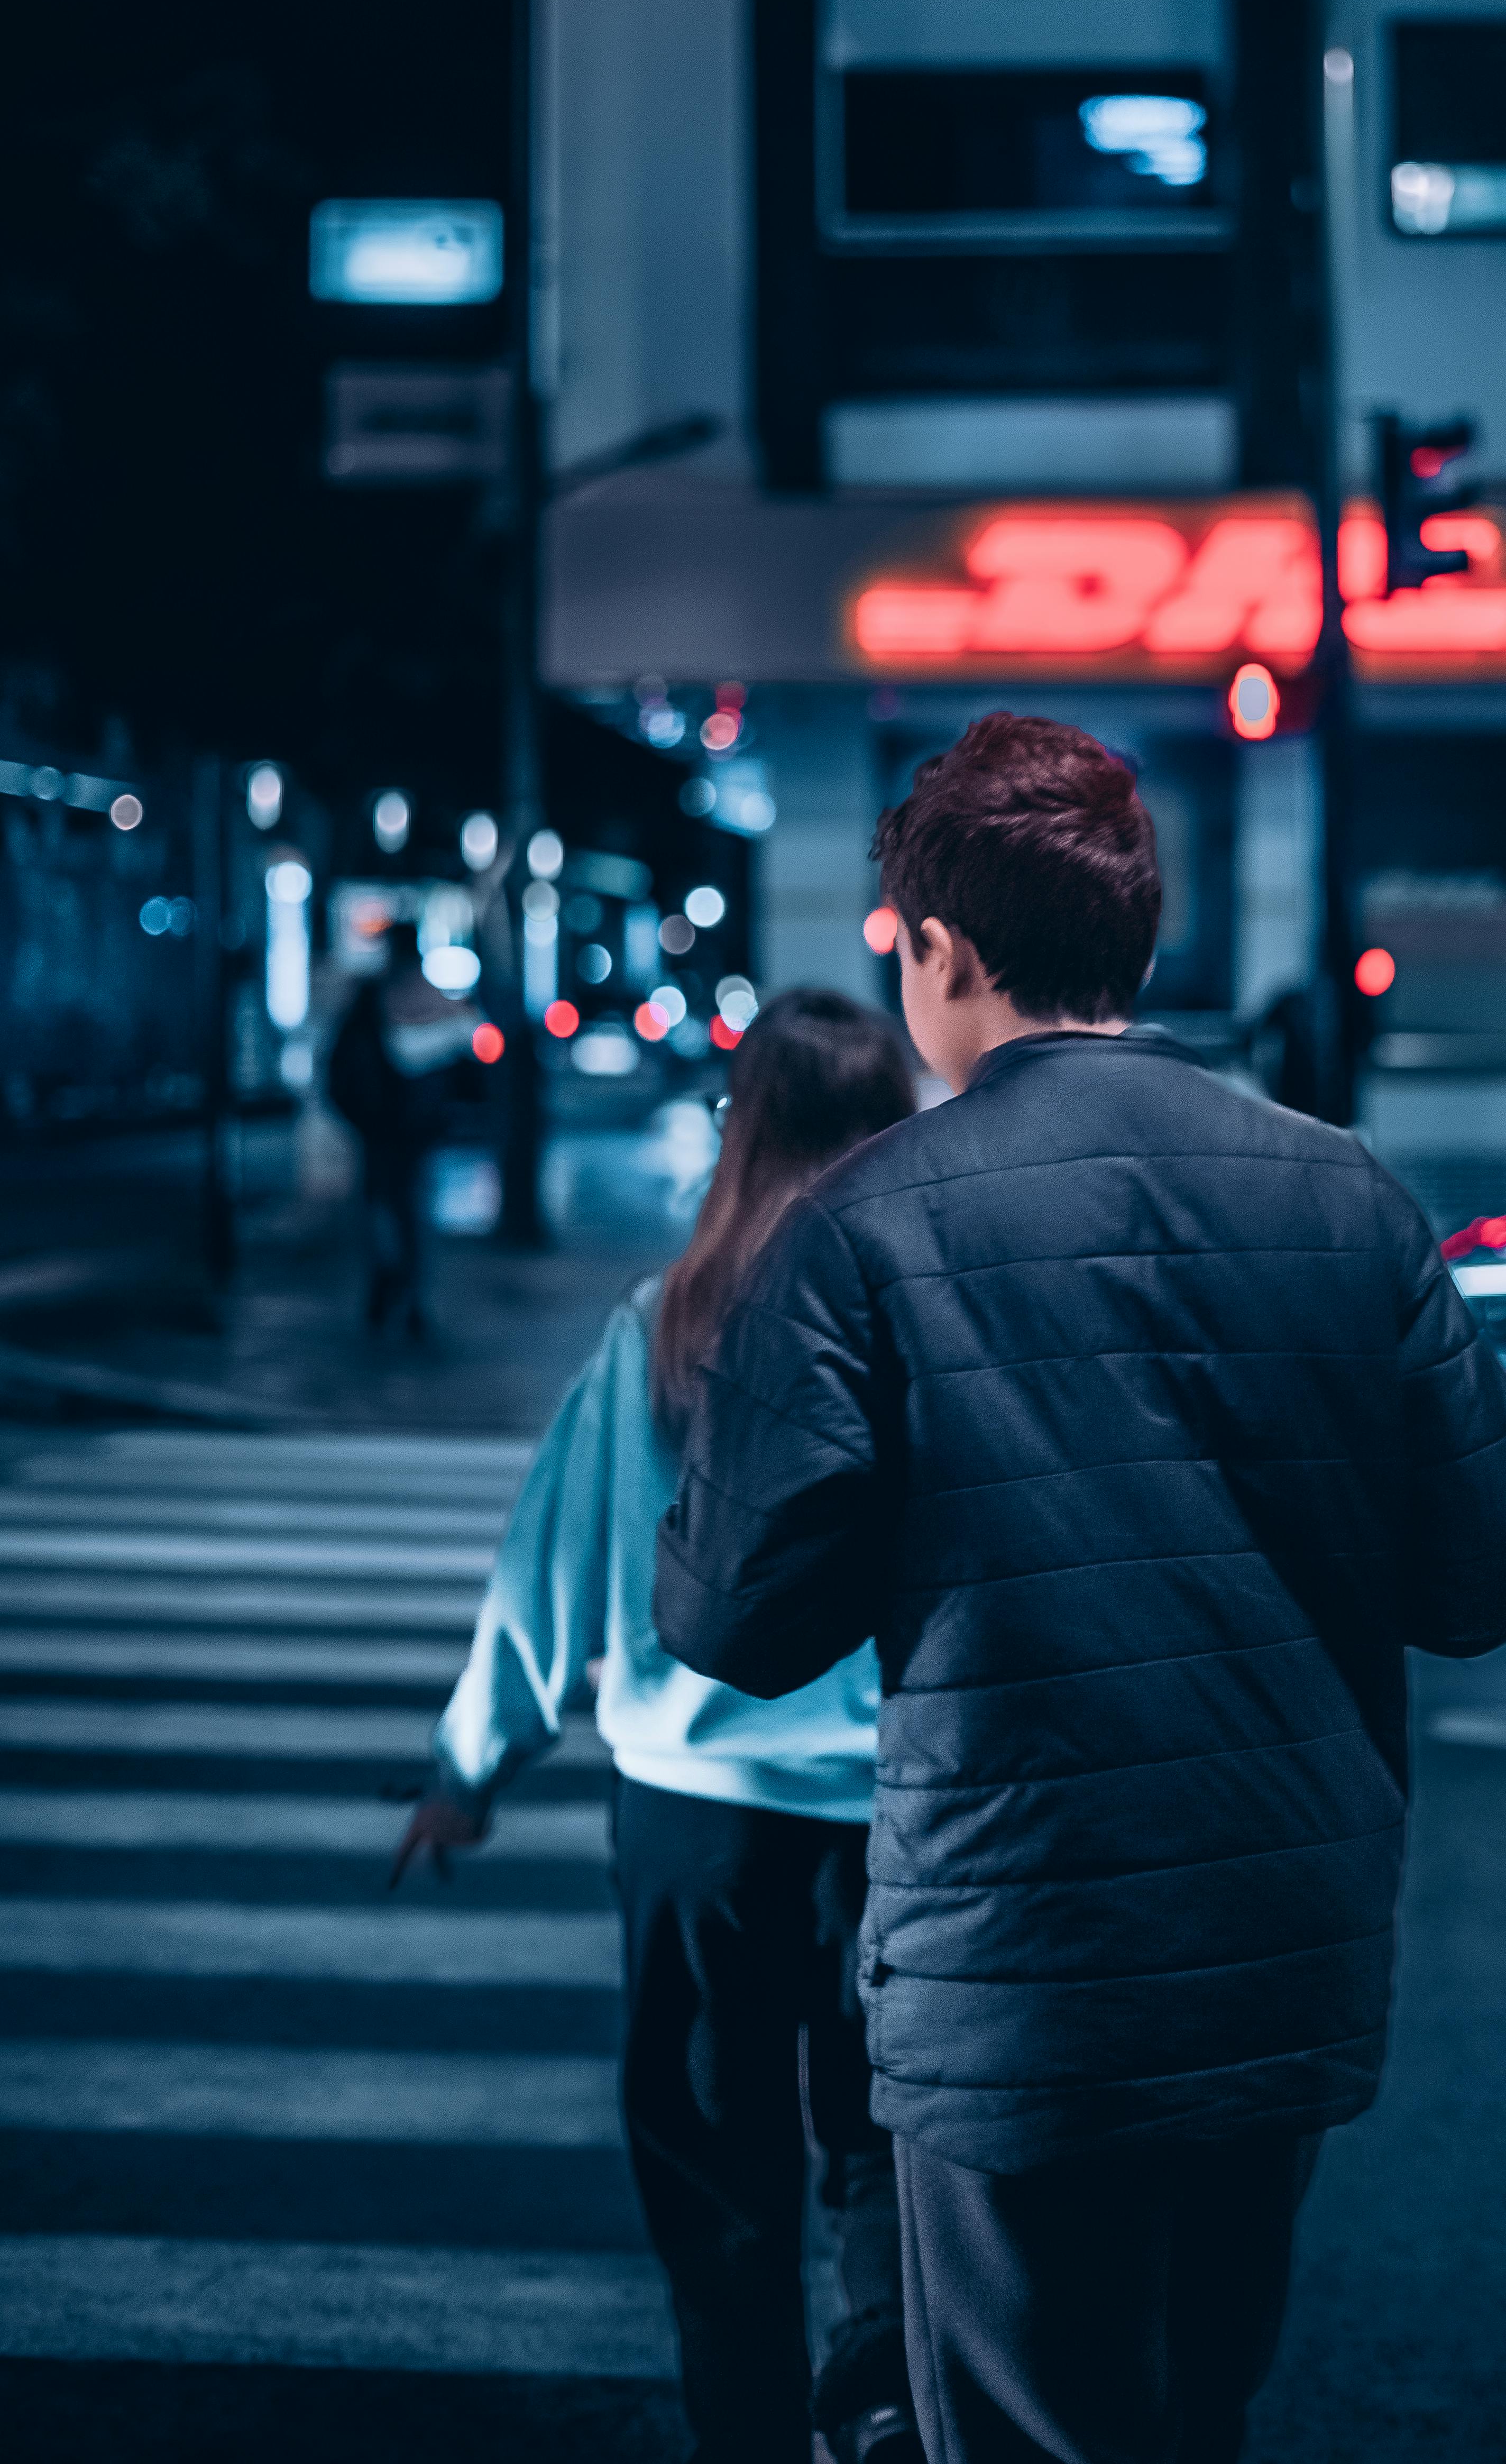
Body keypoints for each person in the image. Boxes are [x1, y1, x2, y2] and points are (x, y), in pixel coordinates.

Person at [654, 713, 1506, 2464]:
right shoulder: (1346, 1195)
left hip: (1017, 1968)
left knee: (1027, 2429)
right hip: (1276, 1955)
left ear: (939, 949)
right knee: (1192, 2406)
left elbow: (733, 1617)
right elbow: (1492, 1568)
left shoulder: (863, 1226)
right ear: (1133, 949)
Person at [393, 987, 923, 2464]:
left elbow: (547, 1562)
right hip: (892, 1816)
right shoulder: (923, 1321)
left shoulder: (664, 1326)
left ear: (741, 1127)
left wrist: (469, 1759)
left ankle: (748, 2431)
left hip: (695, 1815)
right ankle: (883, 2391)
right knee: (887, 2138)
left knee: (716, 2160)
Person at [325, 918, 474, 1334]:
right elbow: (460, 1065)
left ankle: (389, 1285)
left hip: (383, 1128)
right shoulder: (434, 999)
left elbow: (341, 1061)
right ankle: (407, 1295)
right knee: (409, 1212)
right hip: (409, 1130)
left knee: (381, 1207)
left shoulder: (373, 996)